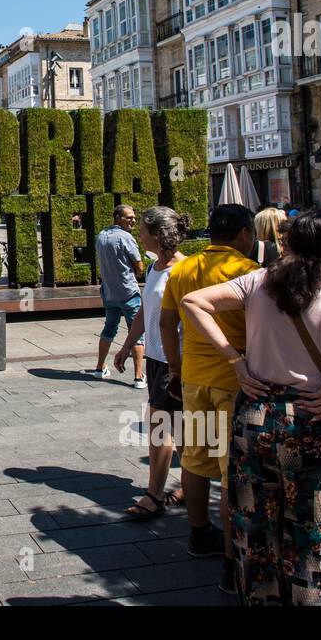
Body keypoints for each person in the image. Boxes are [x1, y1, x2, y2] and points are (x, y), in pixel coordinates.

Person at [180, 209, 321, 606]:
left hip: (257, 416)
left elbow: (193, 302)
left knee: (256, 525)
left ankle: (263, 597)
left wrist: (235, 360)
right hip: (316, 416)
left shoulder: (260, 280)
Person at [159, 203, 256, 590]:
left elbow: (168, 324)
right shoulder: (249, 273)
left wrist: (175, 367)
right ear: (245, 235)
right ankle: (233, 561)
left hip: (193, 378)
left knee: (196, 461)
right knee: (233, 470)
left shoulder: (182, 269)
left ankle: (199, 534)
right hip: (237, 380)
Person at [114, 206, 190, 519]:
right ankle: (188, 485)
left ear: (157, 235)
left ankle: (154, 494)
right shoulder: (155, 266)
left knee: (162, 427)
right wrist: (127, 346)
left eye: (143, 230)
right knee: (181, 428)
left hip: (179, 359)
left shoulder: (184, 270)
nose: (138, 234)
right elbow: (146, 311)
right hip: (158, 358)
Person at [92, 205, 145, 386]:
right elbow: (139, 268)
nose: (133, 221)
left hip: (109, 293)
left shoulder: (101, 236)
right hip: (128, 292)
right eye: (129, 217)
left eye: (134, 217)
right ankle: (138, 377)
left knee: (109, 329)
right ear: (117, 218)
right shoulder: (126, 238)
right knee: (137, 332)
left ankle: (99, 368)